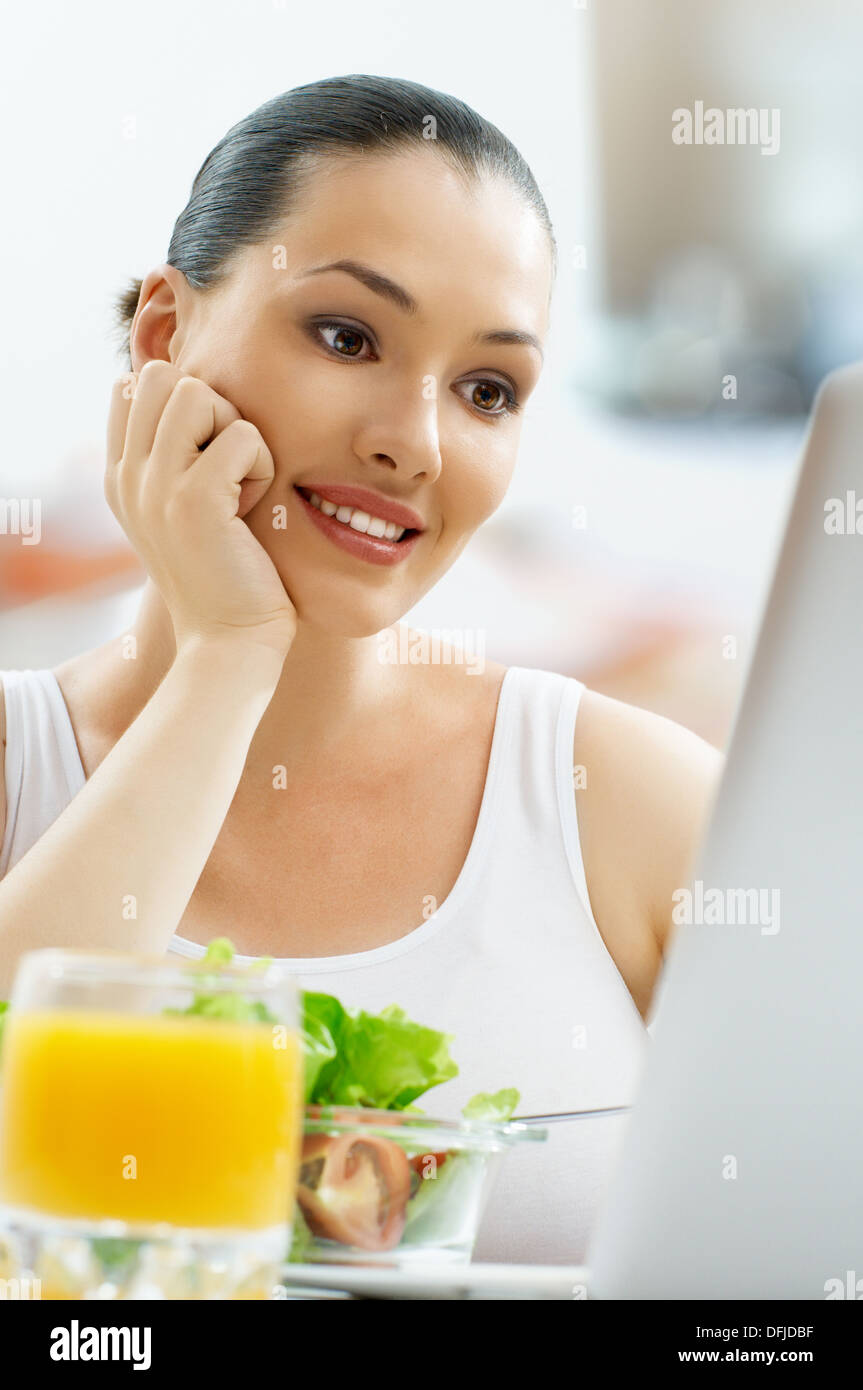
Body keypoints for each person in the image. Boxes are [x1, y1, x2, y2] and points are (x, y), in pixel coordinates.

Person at [0, 74, 722, 1264]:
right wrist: (227, 657)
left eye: (486, 389)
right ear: (166, 338)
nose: (414, 441)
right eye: (346, 336)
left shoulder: (631, 803)